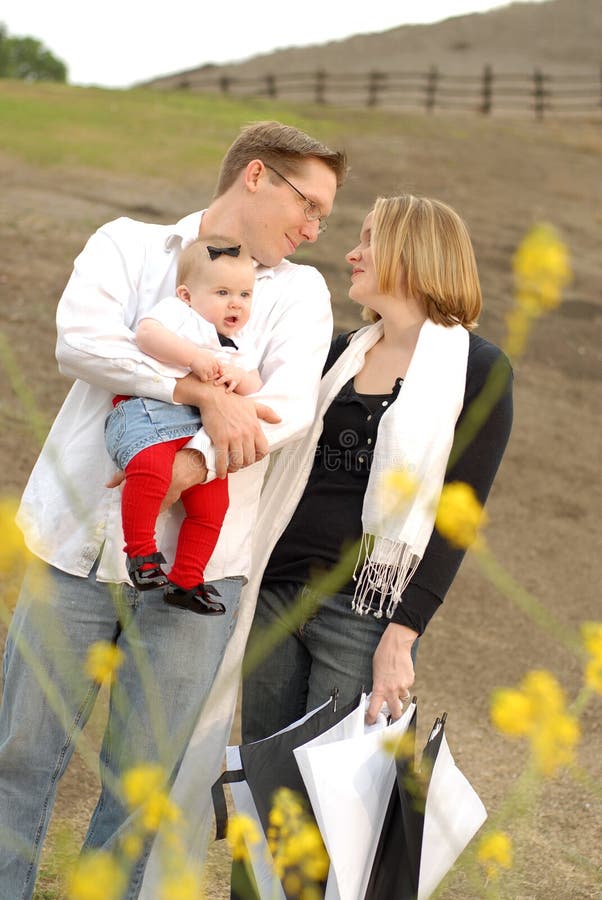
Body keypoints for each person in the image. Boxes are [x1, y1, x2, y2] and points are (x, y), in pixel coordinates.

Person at [0, 120, 348, 899]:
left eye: (324, 217)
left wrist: (180, 469)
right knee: (17, 757)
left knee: (140, 786)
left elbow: (286, 408)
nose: (315, 228)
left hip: (200, 579)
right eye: (309, 204)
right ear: (256, 176)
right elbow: (80, 341)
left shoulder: (301, 292)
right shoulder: (128, 245)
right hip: (74, 550)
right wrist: (197, 392)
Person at [239, 193, 514, 748]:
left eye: (369, 239)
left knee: (332, 808)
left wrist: (402, 635)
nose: (352, 254)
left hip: (364, 613)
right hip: (277, 590)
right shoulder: (341, 353)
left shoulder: (478, 369)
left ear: (412, 253)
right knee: (260, 786)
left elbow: (458, 516)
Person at [105, 236, 262, 615]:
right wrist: (193, 357)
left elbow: (255, 384)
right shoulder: (177, 314)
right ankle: (140, 555)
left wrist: (236, 379)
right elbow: (147, 335)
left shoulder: (239, 343)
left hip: (199, 431)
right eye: (223, 292)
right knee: (151, 469)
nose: (235, 303)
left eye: (244, 294)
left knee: (212, 504)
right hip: (149, 412)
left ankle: (187, 579)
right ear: (187, 295)